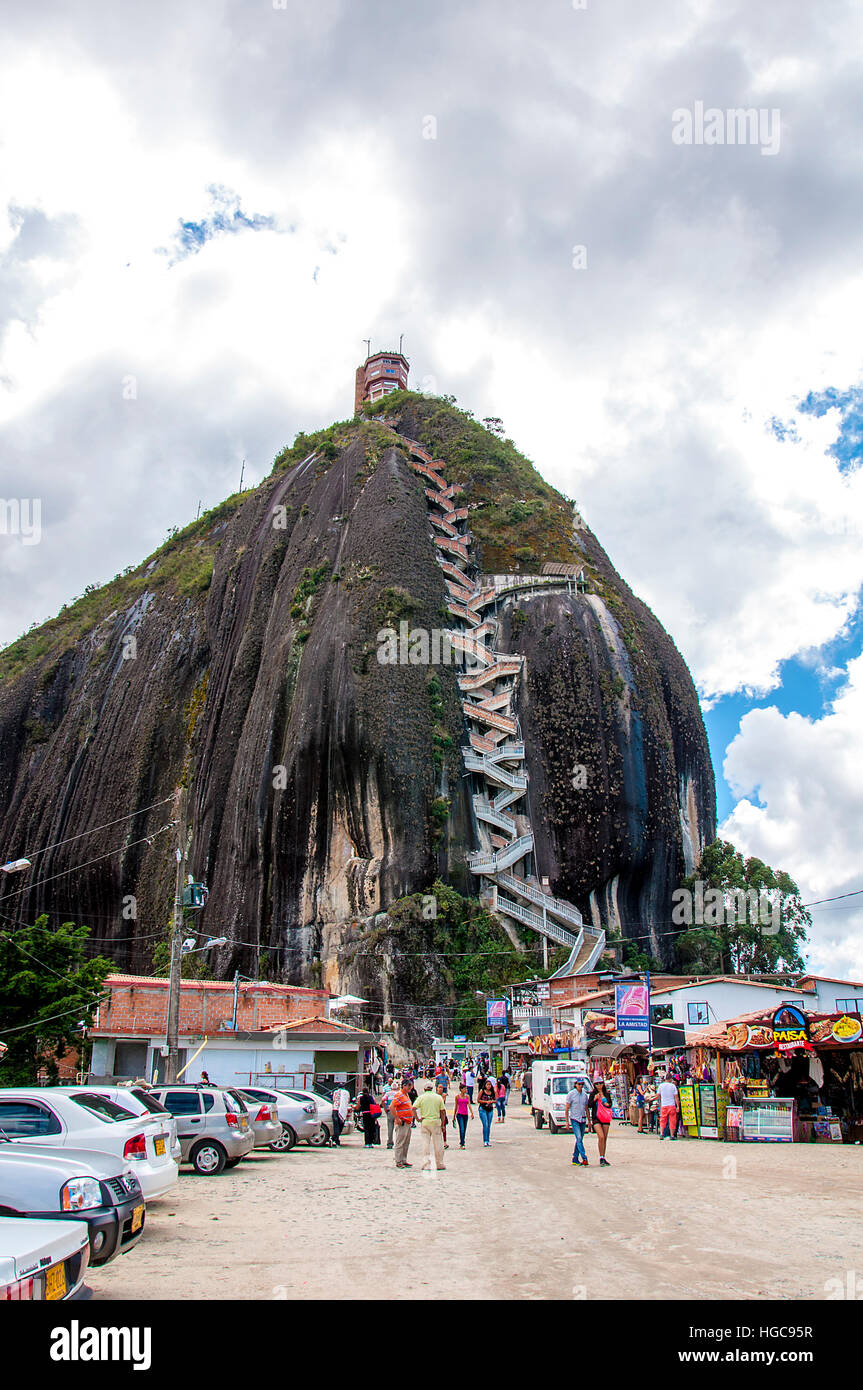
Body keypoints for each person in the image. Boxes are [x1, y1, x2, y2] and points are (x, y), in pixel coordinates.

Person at [413, 1083, 446, 1171]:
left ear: (424, 1089)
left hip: (425, 1122)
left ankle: (426, 1164)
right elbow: (443, 1111)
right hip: (436, 1122)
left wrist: (418, 1119)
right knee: (438, 1144)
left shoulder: (421, 1097)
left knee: (425, 1143)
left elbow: (413, 1108)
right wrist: (443, 1124)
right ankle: (439, 1163)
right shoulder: (438, 1097)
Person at [564, 1077, 593, 1166]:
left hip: (583, 1119)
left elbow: (586, 1108)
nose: (580, 1086)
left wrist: (589, 1121)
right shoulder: (571, 1094)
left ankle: (575, 1158)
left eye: (582, 1084)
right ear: (575, 1085)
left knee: (579, 1139)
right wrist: (567, 1122)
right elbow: (567, 1108)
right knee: (579, 1138)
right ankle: (584, 1157)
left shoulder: (584, 1095)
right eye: (579, 1084)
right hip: (574, 1119)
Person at [589, 1078, 614, 1166]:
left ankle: (603, 1157)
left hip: (605, 1117)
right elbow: (589, 1105)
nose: (599, 1085)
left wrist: (608, 1104)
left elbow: (611, 1104)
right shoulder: (593, 1094)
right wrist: (595, 1099)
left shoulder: (606, 1094)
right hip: (596, 1117)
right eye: (597, 1084)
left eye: (600, 1083)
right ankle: (601, 1157)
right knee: (601, 1137)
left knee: (605, 1138)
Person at [391, 1078, 415, 1168]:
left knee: (406, 1142)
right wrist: (397, 1118)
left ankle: (404, 1159)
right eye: (408, 1085)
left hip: (408, 1122)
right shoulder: (399, 1095)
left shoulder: (406, 1095)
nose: (410, 1087)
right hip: (402, 1122)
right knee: (400, 1142)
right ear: (404, 1086)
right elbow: (392, 1106)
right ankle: (398, 1161)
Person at [658, 1074, 681, 1140]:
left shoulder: (661, 1086)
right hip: (672, 1105)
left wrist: (661, 1100)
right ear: (670, 1079)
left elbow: (658, 1095)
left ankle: (661, 1134)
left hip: (664, 1105)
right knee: (672, 1121)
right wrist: (678, 1106)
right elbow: (676, 1097)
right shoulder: (673, 1086)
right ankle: (672, 1135)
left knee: (663, 1120)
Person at [477, 1078, 496, 1146]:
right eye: (487, 1085)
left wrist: (492, 1101)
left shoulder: (492, 1092)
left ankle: (488, 1140)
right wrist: (485, 1102)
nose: (488, 1086)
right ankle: (485, 1140)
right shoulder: (482, 1091)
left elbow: (496, 1099)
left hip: (490, 1109)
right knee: (485, 1124)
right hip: (483, 1109)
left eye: (490, 1085)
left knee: (489, 1125)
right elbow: (478, 1100)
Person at [381, 1077, 399, 1149]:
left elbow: (382, 1100)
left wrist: (385, 1108)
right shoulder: (398, 1094)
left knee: (390, 1127)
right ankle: (398, 1143)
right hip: (397, 1112)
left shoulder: (388, 1093)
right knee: (398, 1128)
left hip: (389, 1111)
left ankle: (390, 1143)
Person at [436, 1083, 450, 1149]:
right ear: (437, 1088)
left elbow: (442, 1102)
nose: (441, 1089)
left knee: (444, 1127)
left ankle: (444, 1142)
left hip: (442, 1113)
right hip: (436, 1113)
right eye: (439, 1087)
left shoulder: (443, 1095)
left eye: (441, 1087)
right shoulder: (435, 1096)